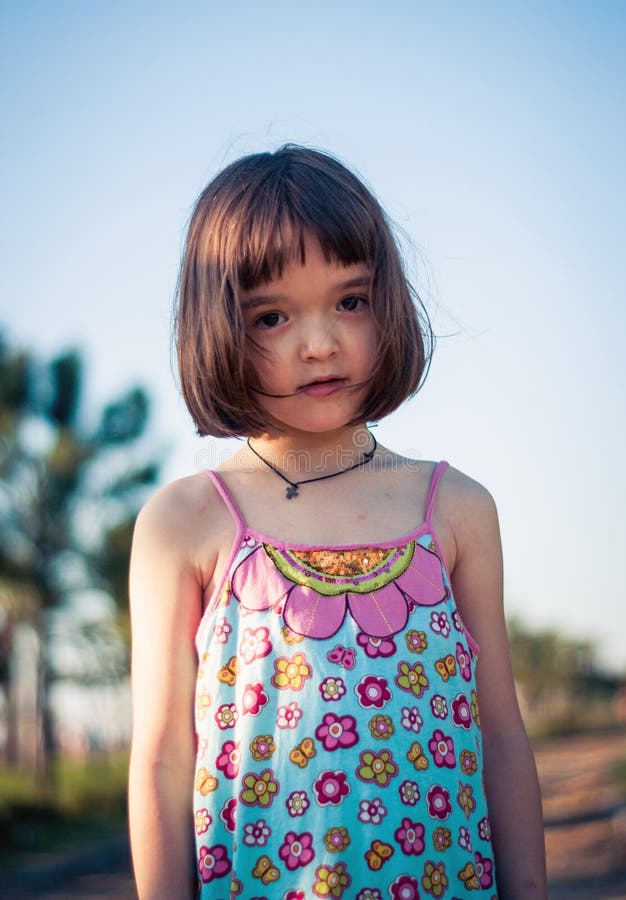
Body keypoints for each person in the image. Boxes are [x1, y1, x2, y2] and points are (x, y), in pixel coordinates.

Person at [128, 145, 547, 899]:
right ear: (218, 325)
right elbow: (160, 755)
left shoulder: (455, 509)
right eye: (272, 316)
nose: (318, 344)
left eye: (350, 301)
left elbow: (502, 735)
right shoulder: (183, 522)